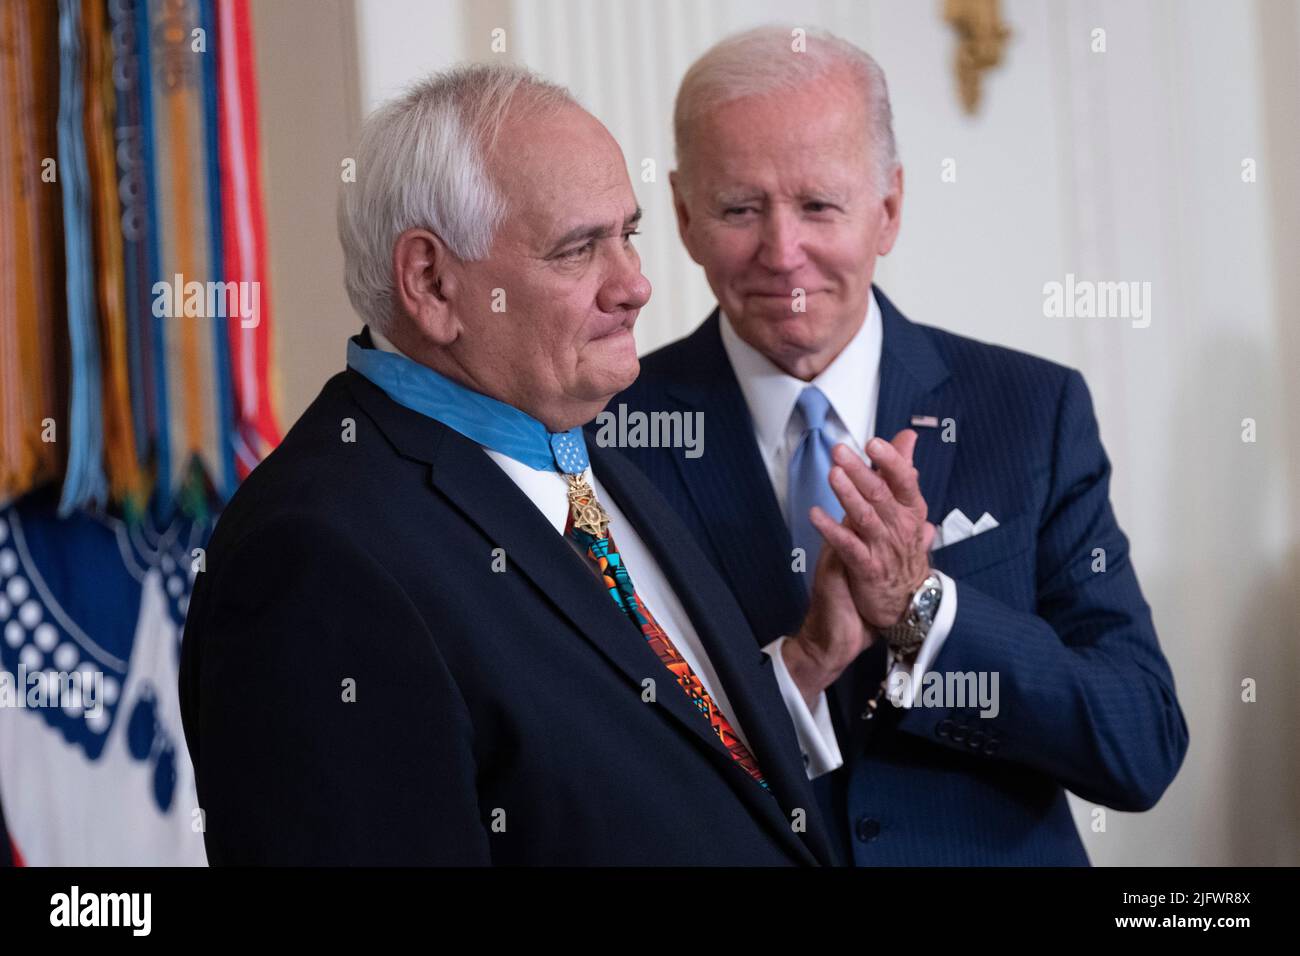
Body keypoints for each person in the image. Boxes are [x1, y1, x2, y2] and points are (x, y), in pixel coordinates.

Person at [179, 63, 861, 865]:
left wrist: (809, 662)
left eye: (628, 234)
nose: (636, 285)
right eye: (578, 249)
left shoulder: (578, 448)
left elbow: (657, 777)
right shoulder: (316, 558)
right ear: (432, 282)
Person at [612, 26, 1189, 865]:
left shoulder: (1032, 411)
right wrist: (798, 672)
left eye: (818, 205)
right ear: (684, 215)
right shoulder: (606, 438)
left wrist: (926, 614)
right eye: (740, 208)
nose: (783, 254)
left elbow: (1140, 743)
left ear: (889, 208)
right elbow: (607, 778)